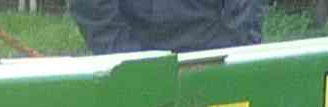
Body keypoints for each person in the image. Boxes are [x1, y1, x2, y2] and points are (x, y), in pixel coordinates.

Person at [69, 0, 266, 53]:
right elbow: (92, 8)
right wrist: (129, 60)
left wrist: (240, 50)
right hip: (137, 61)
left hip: (218, 55)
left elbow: (246, 8)